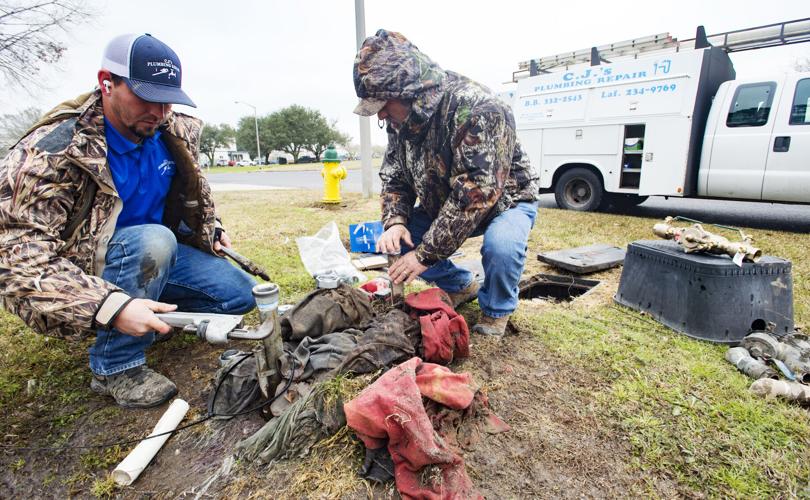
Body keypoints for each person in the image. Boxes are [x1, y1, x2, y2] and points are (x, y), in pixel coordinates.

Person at [0, 34, 256, 408]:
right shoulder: (52, 150)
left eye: (167, 99)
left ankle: (149, 310)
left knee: (238, 294)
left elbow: (188, 195)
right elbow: (16, 256)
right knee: (154, 240)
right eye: (146, 97)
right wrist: (109, 306)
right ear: (107, 82)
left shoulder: (172, 133)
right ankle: (116, 365)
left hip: (155, 255)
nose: (159, 110)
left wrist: (211, 226)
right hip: (89, 265)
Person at [353, 30, 539, 337]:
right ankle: (462, 285)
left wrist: (424, 256)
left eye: (384, 104)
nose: (381, 115)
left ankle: (496, 308)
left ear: (409, 90)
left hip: (507, 201)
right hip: (447, 202)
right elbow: (395, 175)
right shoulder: (401, 121)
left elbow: (476, 193)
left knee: (501, 247)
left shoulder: (480, 108)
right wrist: (395, 222)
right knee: (405, 237)